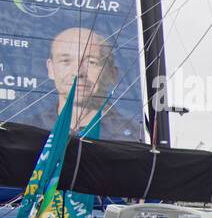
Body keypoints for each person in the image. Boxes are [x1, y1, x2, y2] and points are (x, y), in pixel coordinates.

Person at [12, 26, 143, 142]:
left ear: (112, 74)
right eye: (66, 61)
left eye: (91, 62)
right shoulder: (24, 134)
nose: (78, 72)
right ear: (51, 69)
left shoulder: (137, 139)